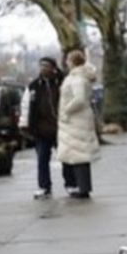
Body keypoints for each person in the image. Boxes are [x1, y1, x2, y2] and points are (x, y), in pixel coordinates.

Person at [57, 49, 99, 198]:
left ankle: (83, 188)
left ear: (73, 62)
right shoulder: (79, 77)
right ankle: (82, 186)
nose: (66, 63)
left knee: (79, 155)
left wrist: (66, 111)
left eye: (68, 60)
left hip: (75, 121)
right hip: (77, 120)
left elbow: (79, 99)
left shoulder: (77, 78)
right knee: (78, 154)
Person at [26, 57, 66, 199]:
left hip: (60, 127)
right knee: (42, 159)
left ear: (53, 68)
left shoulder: (61, 82)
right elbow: (27, 106)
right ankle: (44, 186)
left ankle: (71, 183)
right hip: (41, 129)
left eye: (46, 66)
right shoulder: (34, 86)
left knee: (65, 157)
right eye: (41, 65)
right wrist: (27, 125)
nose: (43, 68)